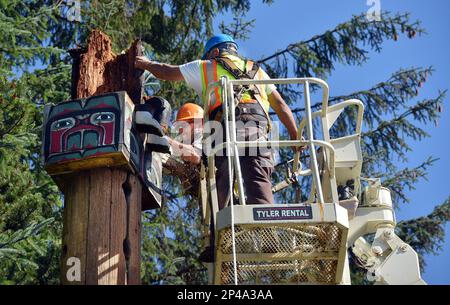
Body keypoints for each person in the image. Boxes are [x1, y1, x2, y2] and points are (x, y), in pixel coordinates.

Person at [135, 34, 298, 261]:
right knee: (258, 176)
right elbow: (281, 105)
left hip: (225, 127)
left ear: (214, 53)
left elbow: (168, 71)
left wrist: (144, 64)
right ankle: (268, 235)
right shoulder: (256, 70)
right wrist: (296, 139)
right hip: (257, 128)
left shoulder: (208, 67)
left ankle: (220, 240)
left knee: (223, 179)